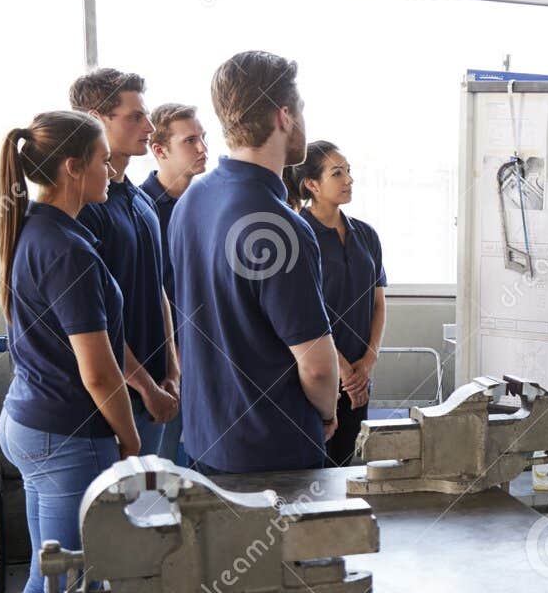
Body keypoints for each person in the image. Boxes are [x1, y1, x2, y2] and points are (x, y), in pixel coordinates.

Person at [0, 112, 141, 593]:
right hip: (64, 435)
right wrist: (131, 437)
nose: (113, 170)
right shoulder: (70, 248)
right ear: (76, 168)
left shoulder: (40, 231)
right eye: (104, 160)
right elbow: (98, 371)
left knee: (45, 579)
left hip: (29, 422)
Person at [169, 51, 338, 474]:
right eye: (300, 110)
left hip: (204, 442)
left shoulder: (191, 200)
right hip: (272, 456)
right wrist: (327, 412)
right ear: (284, 116)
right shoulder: (280, 226)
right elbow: (317, 368)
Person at [69, 70, 179, 456]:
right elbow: (92, 319)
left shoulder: (142, 199)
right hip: (115, 402)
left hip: (156, 393)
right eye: (135, 117)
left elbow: (158, 291)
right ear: (97, 119)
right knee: (112, 515)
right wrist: (144, 385)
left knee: (149, 509)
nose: (149, 126)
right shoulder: (85, 208)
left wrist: (172, 371)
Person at [284, 142, 388, 467]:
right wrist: (343, 369)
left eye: (349, 171)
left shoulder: (366, 235)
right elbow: (303, 310)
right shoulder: (298, 235)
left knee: (347, 469)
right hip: (318, 375)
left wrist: (368, 362)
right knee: (315, 469)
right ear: (312, 185)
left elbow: (378, 302)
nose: (348, 179)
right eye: (337, 173)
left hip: (360, 376)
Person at [140, 103, 209, 463]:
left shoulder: (210, 206)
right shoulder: (140, 208)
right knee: (160, 478)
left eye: (203, 138)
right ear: (160, 150)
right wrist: (176, 368)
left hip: (212, 360)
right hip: (166, 370)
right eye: (190, 141)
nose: (202, 149)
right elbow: (151, 294)